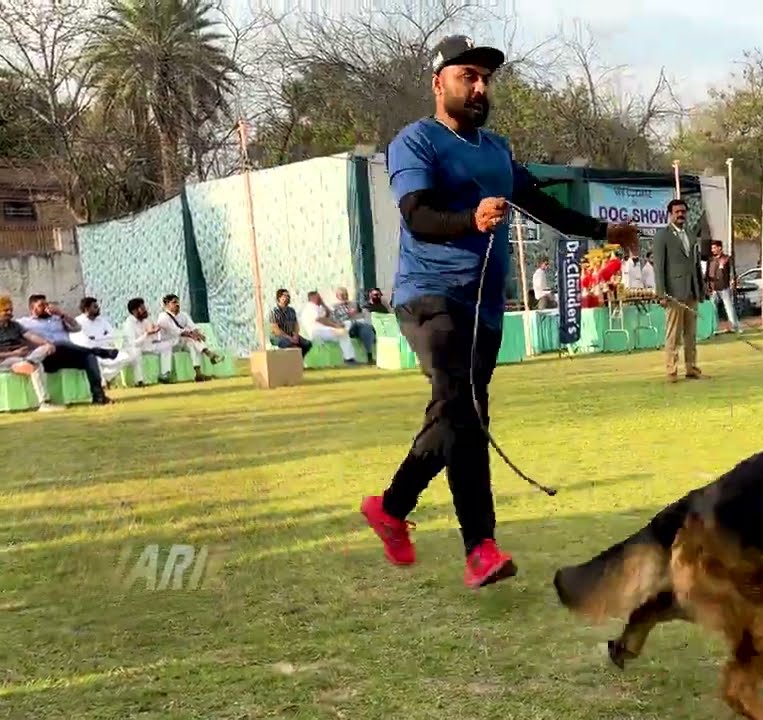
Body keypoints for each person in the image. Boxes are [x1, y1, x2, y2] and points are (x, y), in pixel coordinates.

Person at [359, 35, 637, 589]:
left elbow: (542, 204)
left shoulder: (497, 151)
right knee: (463, 410)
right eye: (469, 76)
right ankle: (479, 546)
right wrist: (471, 218)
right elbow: (417, 217)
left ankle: (392, 508)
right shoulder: (415, 142)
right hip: (429, 295)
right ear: (439, 82)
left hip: (484, 305)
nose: (480, 87)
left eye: (487, 78)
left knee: (464, 416)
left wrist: (603, 229)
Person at [18, 294, 114, 404]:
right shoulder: (24, 323)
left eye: (46, 304)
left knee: (90, 357)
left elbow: (77, 328)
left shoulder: (58, 318)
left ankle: (98, 396)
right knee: (58, 344)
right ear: (31, 308)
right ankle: (99, 351)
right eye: (41, 305)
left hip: (68, 355)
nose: (45, 307)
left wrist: (61, 314)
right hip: (47, 358)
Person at [652, 198, 706, 380]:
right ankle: (671, 370)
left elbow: (696, 264)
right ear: (670, 214)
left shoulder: (690, 234)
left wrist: (701, 288)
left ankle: (691, 368)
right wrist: (661, 293)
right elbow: (659, 267)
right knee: (673, 335)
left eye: (683, 211)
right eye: (677, 212)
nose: (681, 214)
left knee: (691, 334)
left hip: (692, 290)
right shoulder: (662, 236)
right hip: (673, 293)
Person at [0, 293, 63, 412]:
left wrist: (46, 343)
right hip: (5, 360)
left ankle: (29, 361)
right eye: (5, 310)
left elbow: (31, 336)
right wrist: (15, 354)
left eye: (11, 310)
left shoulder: (15, 325)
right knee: (35, 366)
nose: (9, 313)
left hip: (24, 356)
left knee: (45, 348)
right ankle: (44, 403)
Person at [70, 296, 136, 388]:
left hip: (105, 349)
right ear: (87, 309)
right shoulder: (78, 321)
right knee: (93, 360)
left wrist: (97, 338)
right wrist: (100, 337)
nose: (98, 308)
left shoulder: (102, 320)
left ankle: (106, 377)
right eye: (95, 307)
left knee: (127, 357)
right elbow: (81, 341)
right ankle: (102, 384)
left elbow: (112, 334)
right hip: (89, 352)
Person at [156, 294, 221, 381]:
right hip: (168, 344)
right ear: (167, 304)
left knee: (192, 344)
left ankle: (198, 373)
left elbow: (193, 327)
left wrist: (197, 334)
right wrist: (193, 335)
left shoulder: (183, 315)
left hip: (180, 342)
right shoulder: (163, 317)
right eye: (174, 302)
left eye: (178, 302)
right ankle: (209, 354)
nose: (177, 305)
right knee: (192, 338)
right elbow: (177, 331)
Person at [705, 239, 741, 334]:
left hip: (724, 287)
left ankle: (734, 326)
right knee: (713, 309)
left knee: (729, 307)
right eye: (712, 248)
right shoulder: (710, 260)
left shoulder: (726, 259)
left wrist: (733, 281)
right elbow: (707, 274)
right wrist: (708, 286)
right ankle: (714, 328)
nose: (712, 250)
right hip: (713, 288)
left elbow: (732, 272)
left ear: (719, 248)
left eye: (714, 248)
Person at [269, 289, 312, 356]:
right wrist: (289, 338)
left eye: (288, 296)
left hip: (291, 335)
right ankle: (293, 362)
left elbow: (296, 325)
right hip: (277, 337)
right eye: (285, 296)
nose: (287, 297)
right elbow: (276, 330)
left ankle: (299, 361)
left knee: (307, 344)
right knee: (291, 345)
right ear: (279, 298)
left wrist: (296, 335)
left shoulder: (291, 311)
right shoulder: (274, 312)